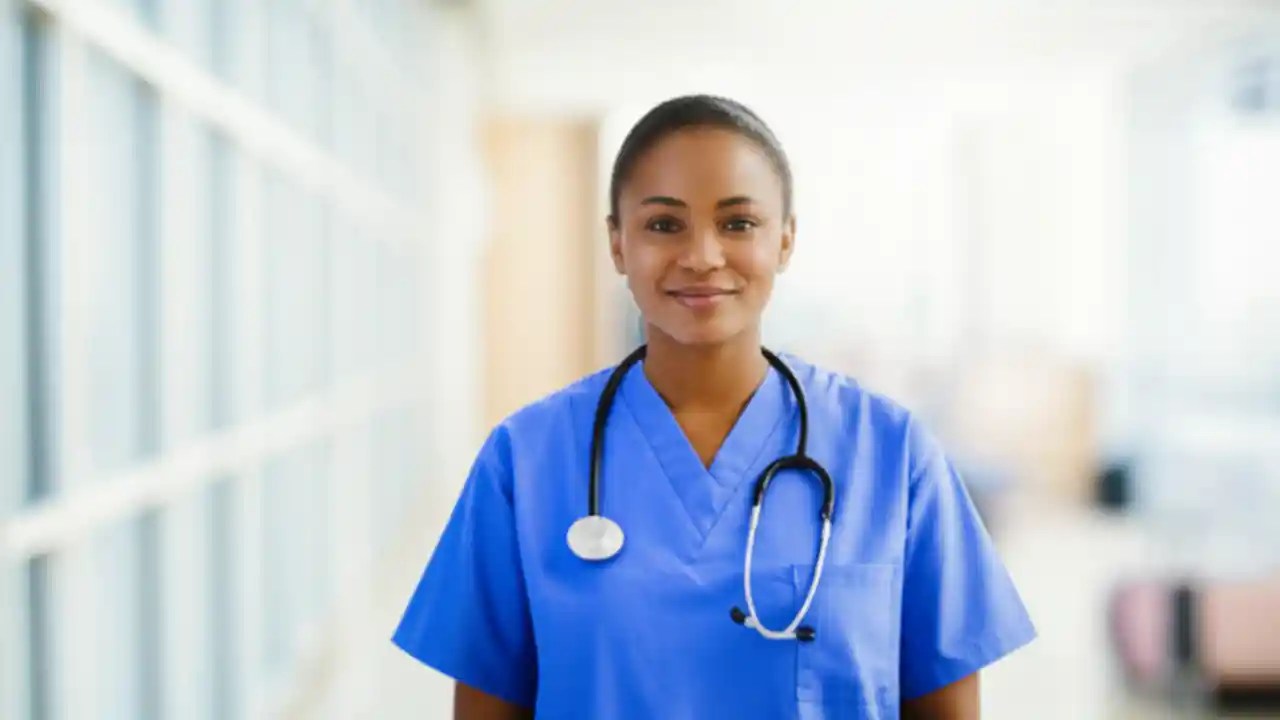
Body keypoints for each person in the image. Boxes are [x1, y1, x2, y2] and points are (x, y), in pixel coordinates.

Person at [392, 94, 1036, 719]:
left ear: (785, 240)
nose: (702, 256)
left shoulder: (892, 454)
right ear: (617, 243)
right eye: (664, 224)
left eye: (738, 223)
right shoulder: (525, 460)